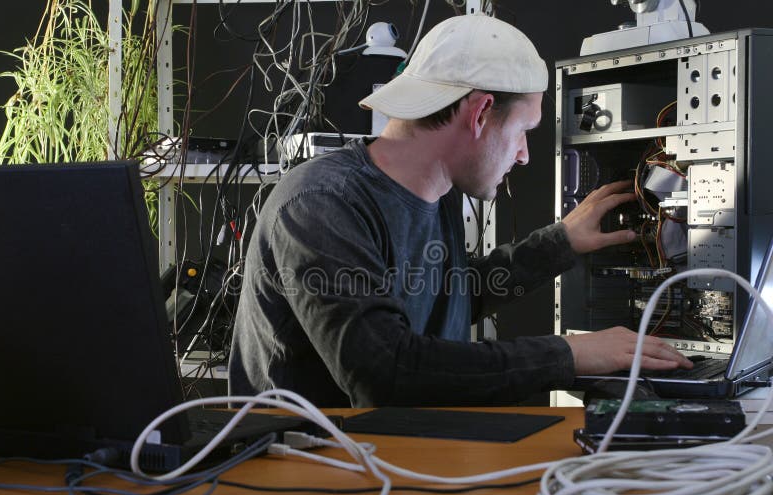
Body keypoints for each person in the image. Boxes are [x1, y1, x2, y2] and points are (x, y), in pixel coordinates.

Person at [228, 13, 691, 407]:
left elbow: (449, 292)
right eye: (523, 131)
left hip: (399, 460)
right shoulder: (320, 204)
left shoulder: (437, 194)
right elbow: (385, 372)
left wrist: (560, 243)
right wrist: (567, 355)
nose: (524, 155)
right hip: (305, 474)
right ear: (480, 113)